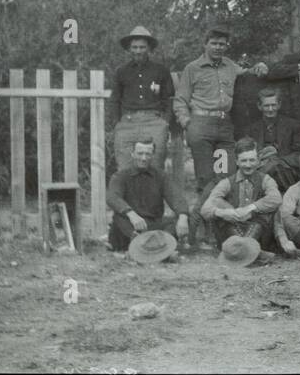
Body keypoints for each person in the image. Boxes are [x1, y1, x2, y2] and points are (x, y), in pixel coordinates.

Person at [173, 26, 269, 196]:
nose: (218, 47)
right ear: (205, 44)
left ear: (226, 46)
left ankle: (224, 216)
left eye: (222, 44)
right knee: (205, 177)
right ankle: (205, 218)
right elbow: (181, 99)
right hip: (201, 125)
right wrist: (186, 122)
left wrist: (260, 66)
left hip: (224, 126)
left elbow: (249, 72)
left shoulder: (230, 66)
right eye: (214, 43)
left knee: (226, 174)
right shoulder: (192, 68)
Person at [104, 138, 190, 255]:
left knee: (175, 221)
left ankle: (147, 247)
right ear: (133, 154)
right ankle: (154, 247)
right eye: (140, 153)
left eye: (147, 154)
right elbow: (112, 197)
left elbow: (176, 197)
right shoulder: (120, 176)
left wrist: (183, 216)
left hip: (152, 224)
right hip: (130, 225)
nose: (143, 158)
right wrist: (131, 214)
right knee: (119, 218)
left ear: (152, 155)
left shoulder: (161, 176)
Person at [110, 26, 175, 173]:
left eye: (142, 47)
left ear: (149, 48)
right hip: (127, 123)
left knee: (155, 166)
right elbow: (115, 99)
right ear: (129, 49)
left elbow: (169, 98)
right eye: (134, 47)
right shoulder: (121, 71)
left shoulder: (161, 70)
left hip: (154, 123)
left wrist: (165, 122)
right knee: (125, 168)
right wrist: (116, 123)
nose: (138, 51)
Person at [200, 138, 282, 249]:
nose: (248, 165)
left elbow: (276, 199)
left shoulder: (266, 180)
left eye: (252, 160)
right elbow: (205, 209)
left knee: (258, 224)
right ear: (237, 162)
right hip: (233, 229)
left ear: (258, 160)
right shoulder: (227, 182)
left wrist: (250, 208)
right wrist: (223, 213)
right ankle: (248, 251)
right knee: (218, 202)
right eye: (244, 161)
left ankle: (244, 251)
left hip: (258, 232)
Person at [246, 86, 300, 190]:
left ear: (279, 105)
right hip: (260, 169)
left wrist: (277, 160)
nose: (270, 109)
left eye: (273, 105)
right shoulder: (252, 129)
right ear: (259, 106)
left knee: (276, 167)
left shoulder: (293, 126)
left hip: (287, 171)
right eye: (266, 106)